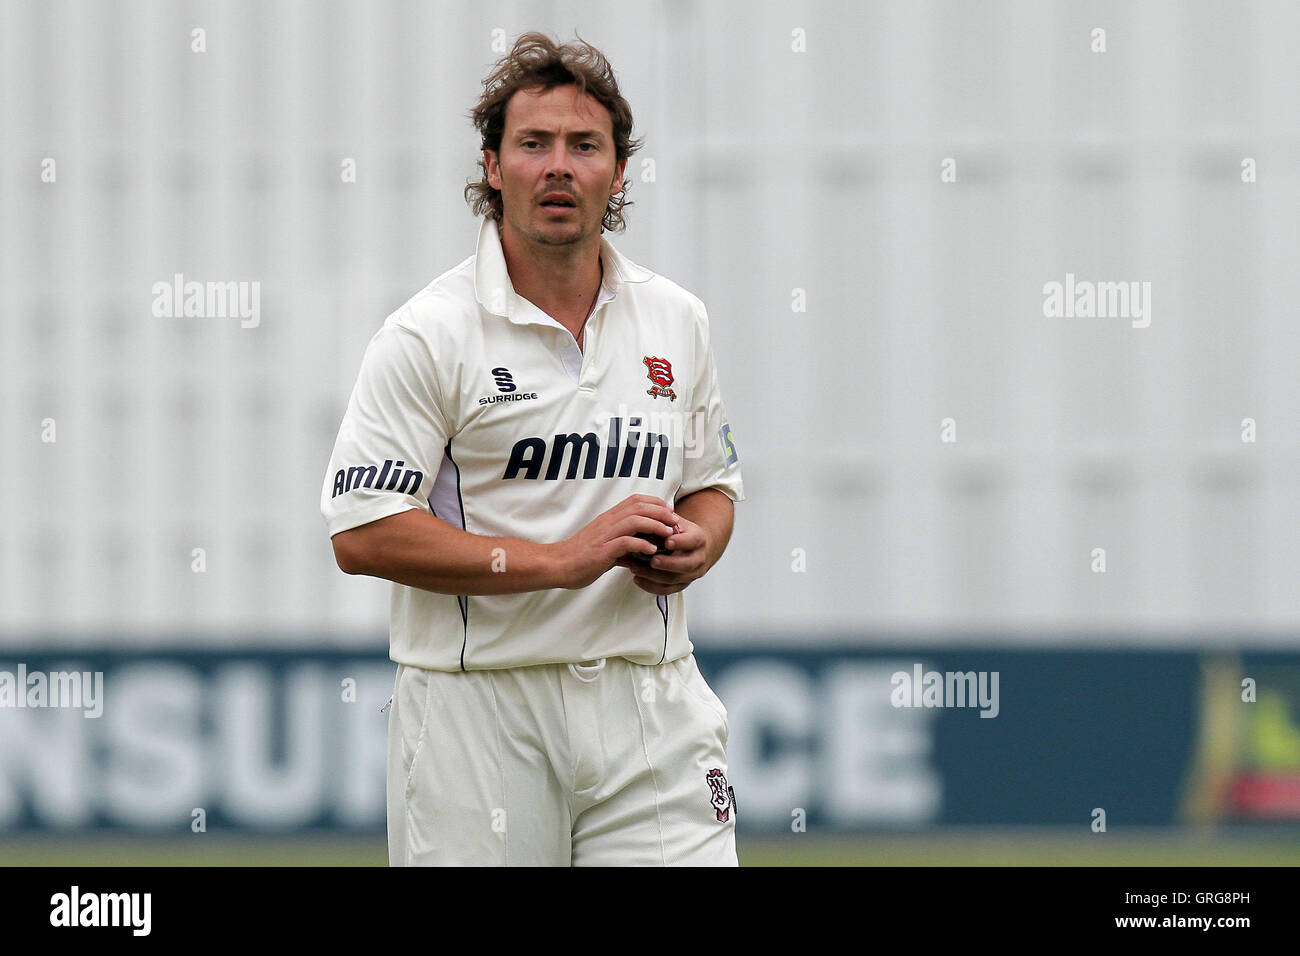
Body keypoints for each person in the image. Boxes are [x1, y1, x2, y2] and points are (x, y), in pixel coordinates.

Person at [320, 31, 744, 866]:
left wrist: (699, 545)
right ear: (491, 165)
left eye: (585, 146)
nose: (559, 165)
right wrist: (558, 561)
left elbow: (713, 486)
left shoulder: (675, 319)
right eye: (533, 144)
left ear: (618, 173)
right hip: (479, 713)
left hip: (650, 704)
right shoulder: (426, 334)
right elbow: (361, 532)